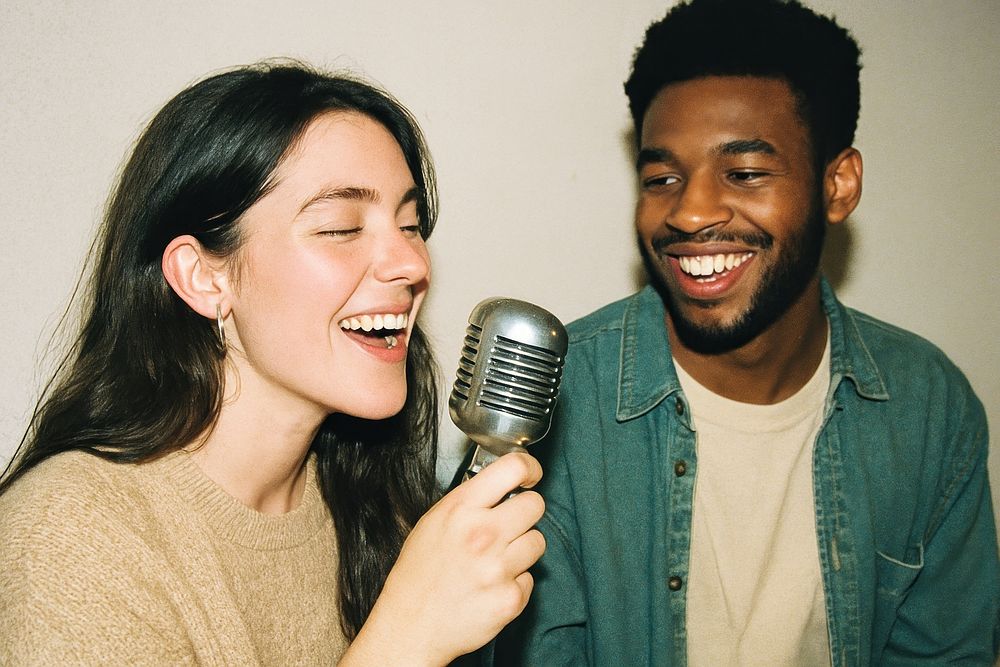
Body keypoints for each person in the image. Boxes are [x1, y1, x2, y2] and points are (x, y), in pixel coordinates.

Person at [496, 0, 999, 664]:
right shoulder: (557, 406)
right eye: (661, 177)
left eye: (746, 173)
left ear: (838, 184)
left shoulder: (928, 408)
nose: (691, 209)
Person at [0, 61, 545, 666]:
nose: (411, 265)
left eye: (410, 225)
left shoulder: (370, 502)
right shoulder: (71, 541)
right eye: (340, 227)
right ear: (204, 276)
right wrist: (405, 642)